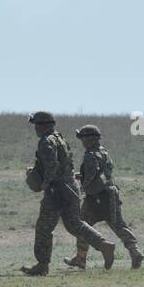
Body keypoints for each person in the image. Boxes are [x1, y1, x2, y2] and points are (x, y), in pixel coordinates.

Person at [21, 112, 114, 275]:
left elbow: (52, 164)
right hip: (70, 187)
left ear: (43, 125)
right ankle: (103, 245)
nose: (35, 128)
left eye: (36, 124)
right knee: (74, 224)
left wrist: (45, 182)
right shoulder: (59, 138)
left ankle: (42, 265)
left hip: (56, 190)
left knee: (43, 227)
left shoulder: (46, 141)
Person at [66, 124, 144, 270]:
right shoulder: (103, 152)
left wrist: (82, 186)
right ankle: (135, 252)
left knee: (81, 225)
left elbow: (91, 175)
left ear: (89, 139)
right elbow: (101, 173)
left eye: (83, 138)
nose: (82, 141)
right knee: (119, 226)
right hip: (109, 195)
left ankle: (81, 258)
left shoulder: (90, 155)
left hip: (95, 198)